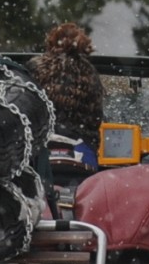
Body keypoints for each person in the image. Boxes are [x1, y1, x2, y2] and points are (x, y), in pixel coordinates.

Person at [32, 22, 102, 171]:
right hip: (81, 148)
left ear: (50, 42)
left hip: (40, 147)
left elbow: (26, 107)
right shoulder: (90, 72)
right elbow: (95, 118)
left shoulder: (36, 66)